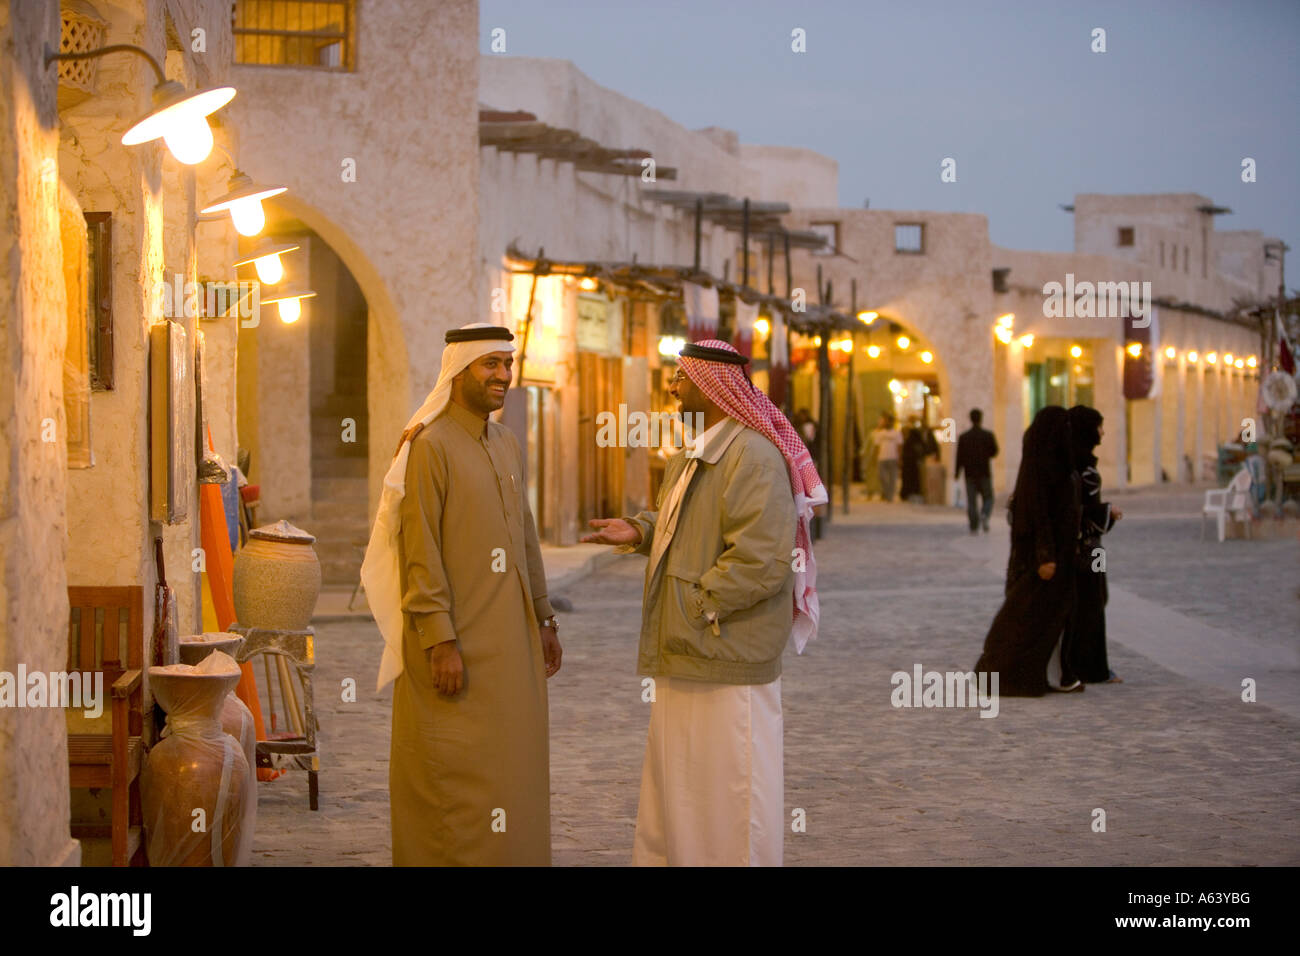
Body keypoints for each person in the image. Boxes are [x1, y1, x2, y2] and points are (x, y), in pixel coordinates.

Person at [581, 339, 826, 866]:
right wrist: (640, 530)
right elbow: (687, 527)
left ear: (712, 386)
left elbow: (760, 560)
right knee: (682, 791)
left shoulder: (753, 455)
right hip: (691, 651)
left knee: (730, 796)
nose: (672, 388)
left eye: (680, 378)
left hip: (723, 653)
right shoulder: (699, 452)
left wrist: (696, 605)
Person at [360, 323, 563, 866]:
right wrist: (438, 639)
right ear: (460, 371)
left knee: (511, 770)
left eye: (506, 363)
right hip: (456, 649)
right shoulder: (430, 446)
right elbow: (419, 552)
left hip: (512, 647)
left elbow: (524, 537)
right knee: (452, 773)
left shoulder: (506, 443)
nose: (502, 375)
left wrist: (544, 618)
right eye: (489, 365)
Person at [973, 406, 1081, 696]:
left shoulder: (1052, 466)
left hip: (1056, 556)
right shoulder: (1044, 471)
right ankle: (1013, 675)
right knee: (1029, 617)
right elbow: (1040, 517)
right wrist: (1046, 557)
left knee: (1046, 618)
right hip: (1046, 561)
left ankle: (1053, 674)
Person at [1063, 405, 1123, 684]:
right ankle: (1093, 667)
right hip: (1091, 549)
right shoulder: (1085, 470)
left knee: (1091, 600)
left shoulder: (1071, 462)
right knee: (1093, 601)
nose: (1102, 432)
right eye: (1099, 426)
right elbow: (1082, 512)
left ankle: (1080, 663)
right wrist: (1108, 512)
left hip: (1085, 549)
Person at [955, 408, 999, 533]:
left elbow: (960, 457)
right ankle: (985, 514)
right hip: (984, 472)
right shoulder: (988, 435)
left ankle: (974, 525)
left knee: (971, 500)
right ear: (981, 418)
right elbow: (994, 451)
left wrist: (956, 473)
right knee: (988, 497)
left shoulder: (964, 437)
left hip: (969, 473)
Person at [871, 413, 903, 502]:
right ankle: (886, 493)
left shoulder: (897, 433)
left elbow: (900, 446)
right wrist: (875, 457)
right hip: (882, 458)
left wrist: (900, 458)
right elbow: (876, 446)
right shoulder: (880, 434)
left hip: (893, 457)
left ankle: (890, 496)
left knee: (893, 478)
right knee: (882, 477)